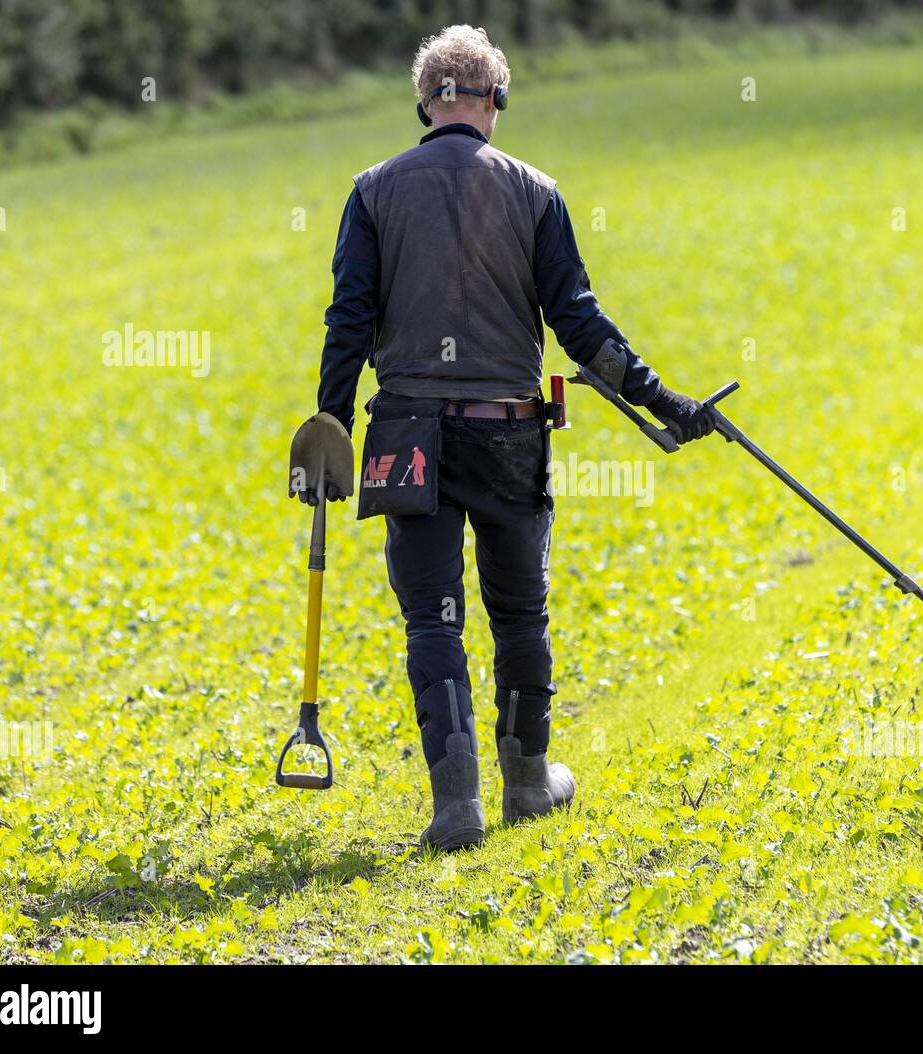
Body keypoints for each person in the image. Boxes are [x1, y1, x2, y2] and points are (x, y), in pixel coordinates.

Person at [301, 24, 714, 851]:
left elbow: (349, 319)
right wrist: (662, 398)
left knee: (433, 620)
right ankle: (528, 784)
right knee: (519, 615)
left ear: (425, 103)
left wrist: (331, 425)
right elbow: (577, 321)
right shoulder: (534, 190)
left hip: (404, 436)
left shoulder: (373, 190)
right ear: (497, 100)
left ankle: (456, 807)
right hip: (507, 434)